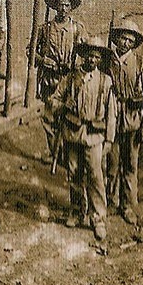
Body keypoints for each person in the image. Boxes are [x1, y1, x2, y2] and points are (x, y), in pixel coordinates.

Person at [53, 36, 117, 250]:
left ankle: (98, 218)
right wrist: (63, 105)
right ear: (83, 56)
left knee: (96, 175)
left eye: (97, 56)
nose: (92, 59)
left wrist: (109, 138)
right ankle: (77, 210)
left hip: (94, 136)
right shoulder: (70, 78)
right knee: (74, 173)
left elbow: (111, 113)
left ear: (100, 59)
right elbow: (52, 101)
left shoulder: (106, 81)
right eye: (90, 54)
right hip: (72, 133)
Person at [108, 19, 143, 221]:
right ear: (116, 39)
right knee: (111, 164)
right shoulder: (107, 61)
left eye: (129, 39)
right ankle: (111, 201)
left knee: (130, 165)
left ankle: (127, 205)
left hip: (133, 121)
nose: (125, 43)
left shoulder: (142, 63)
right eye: (122, 38)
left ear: (134, 43)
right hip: (111, 120)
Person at [34, 0, 83, 105]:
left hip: (69, 77)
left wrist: (74, 63)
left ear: (71, 7)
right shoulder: (45, 28)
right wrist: (42, 60)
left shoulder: (77, 28)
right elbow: (30, 51)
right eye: (61, 5)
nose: (64, 9)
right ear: (56, 6)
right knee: (49, 111)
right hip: (48, 78)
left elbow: (84, 52)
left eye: (67, 5)